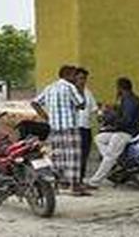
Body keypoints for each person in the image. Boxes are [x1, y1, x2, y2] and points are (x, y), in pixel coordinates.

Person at [33, 65, 90, 195]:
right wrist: (80, 88)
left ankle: (61, 184)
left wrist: (46, 117)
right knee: (73, 156)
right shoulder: (69, 87)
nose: (76, 78)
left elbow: (35, 103)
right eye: (74, 75)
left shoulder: (50, 88)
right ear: (68, 75)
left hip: (54, 127)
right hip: (69, 126)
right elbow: (81, 104)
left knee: (59, 156)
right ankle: (75, 186)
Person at [87, 77, 139, 188]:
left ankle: (94, 181)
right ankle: (114, 161)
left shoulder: (130, 100)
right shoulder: (127, 99)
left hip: (127, 132)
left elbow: (126, 120)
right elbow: (121, 114)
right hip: (124, 130)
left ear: (120, 88)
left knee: (110, 155)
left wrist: (113, 123)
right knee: (99, 138)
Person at [73, 67, 98, 184]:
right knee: (75, 155)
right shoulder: (70, 92)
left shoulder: (88, 92)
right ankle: (73, 180)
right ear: (75, 79)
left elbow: (94, 109)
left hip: (86, 127)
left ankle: (80, 179)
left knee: (84, 155)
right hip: (74, 127)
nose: (83, 81)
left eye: (84, 79)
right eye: (80, 78)